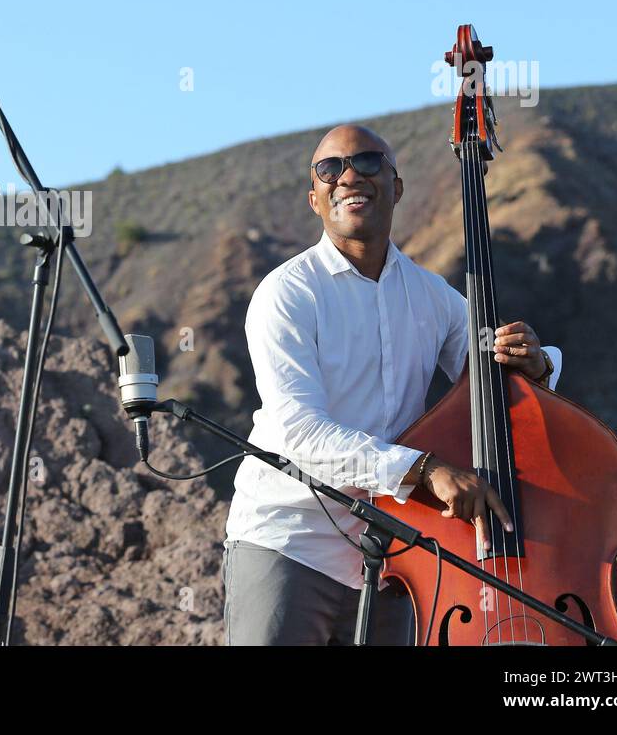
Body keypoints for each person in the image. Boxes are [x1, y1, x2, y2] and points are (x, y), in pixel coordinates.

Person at [222, 124, 561, 645]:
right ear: (315, 198)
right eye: (330, 169)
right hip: (290, 540)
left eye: (368, 162)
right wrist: (423, 470)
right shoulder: (285, 294)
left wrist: (534, 365)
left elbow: (493, 385)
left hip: (391, 553)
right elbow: (300, 433)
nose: (349, 175)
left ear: (397, 186)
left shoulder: (434, 297)